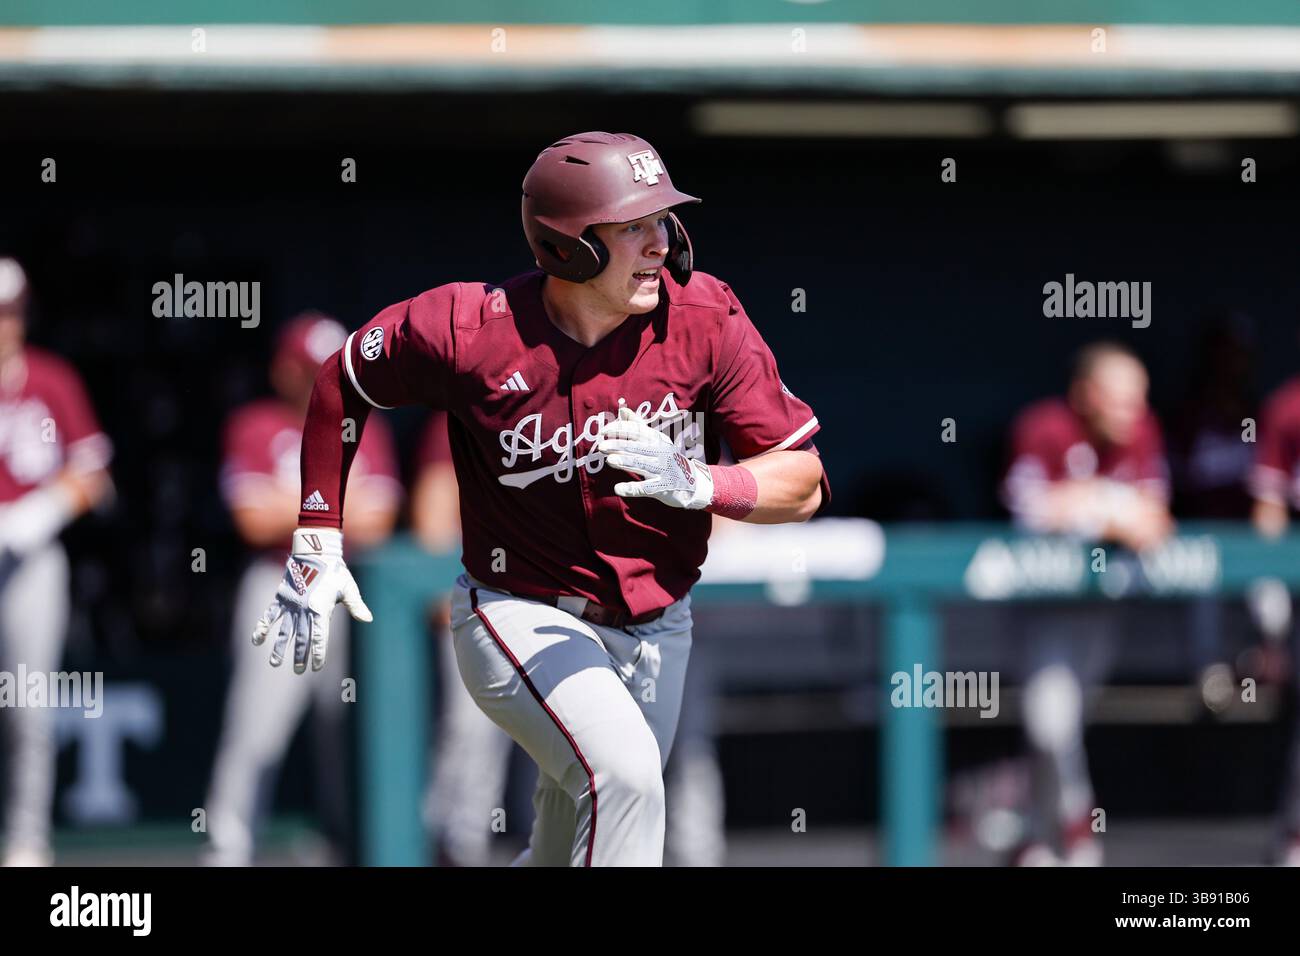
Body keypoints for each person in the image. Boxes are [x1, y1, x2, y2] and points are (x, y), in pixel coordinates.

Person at [252, 131, 830, 866]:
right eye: (633, 227)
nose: (661, 243)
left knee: (570, 841)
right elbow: (344, 379)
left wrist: (703, 484)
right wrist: (317, 533)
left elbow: (802, 478)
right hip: (519, 612)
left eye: (663, 221)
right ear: (570, 249)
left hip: (659, 626)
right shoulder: (472, 329)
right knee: (625, 782)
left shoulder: (705, 315)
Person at [203, 312, 400, 866]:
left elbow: (382, 517)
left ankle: (351, 843)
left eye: (333, 367)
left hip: (348, 588)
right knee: (257, 726)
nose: (324, 378)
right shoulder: (256, 424)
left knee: (348, 727)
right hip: (279, 581)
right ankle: (228, 845)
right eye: (312, 368)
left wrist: (294, 512)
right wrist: (335, 514)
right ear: (284, 370)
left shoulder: (365, 424)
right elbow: (250, 518)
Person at [1002, 341, 1172, 866]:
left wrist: (1092, 502)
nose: (1133, 411)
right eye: (1121, 398)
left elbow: (1156, 522)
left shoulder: (1143, 431)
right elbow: (1031, 509)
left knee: (1064, 726)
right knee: (1049, 724)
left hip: (1101, 604)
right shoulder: (1045, 426)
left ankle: (1035, 837)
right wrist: (1110, 507)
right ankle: (1076, 834)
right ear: (1086, 394)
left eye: (1138, 399)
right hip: (1042, 603)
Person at [0, 257, 114, 867]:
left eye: (10, 313)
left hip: (32, 558)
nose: (2, 326)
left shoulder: (51, 378)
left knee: (27, 704)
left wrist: (39, 513)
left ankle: (25, 839)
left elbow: (95, 473)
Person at [413, 410, 515, 867]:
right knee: (471, 730)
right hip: (480, 599)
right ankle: (449, 847)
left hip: (552, 603)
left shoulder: (576, 408)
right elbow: (434, 517)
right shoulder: (461, 414)